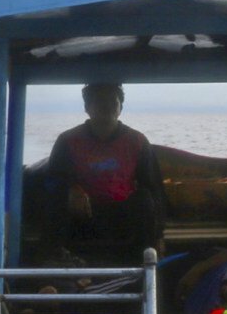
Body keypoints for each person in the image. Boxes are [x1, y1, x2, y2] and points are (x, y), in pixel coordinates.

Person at [39, 82, 165, 264]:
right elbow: (52, 181)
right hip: (83, 215)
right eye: (99, 101)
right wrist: (71, 190)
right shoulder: (68, 140)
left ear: (121, 107)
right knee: (59, 197)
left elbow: (154, 188)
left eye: (113, 102)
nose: (106, 107)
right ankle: (54, 258)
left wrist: (159, 234)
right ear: (87, 107)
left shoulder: (137, 141)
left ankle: (145, 261)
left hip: (122, 216)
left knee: (144, 198)